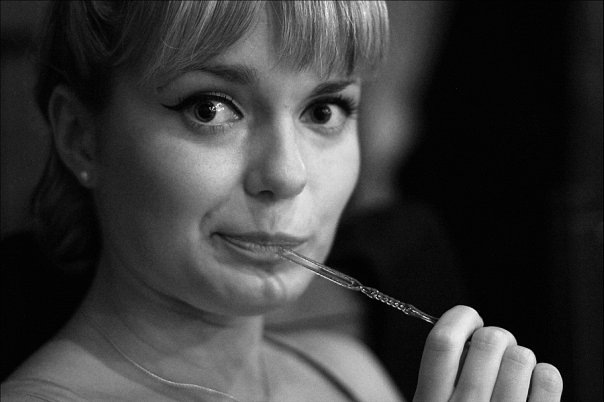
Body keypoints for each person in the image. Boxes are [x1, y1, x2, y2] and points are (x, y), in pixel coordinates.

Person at [1, 1, 562, 401]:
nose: (287, 175)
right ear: (80, 136)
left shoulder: (348, 369)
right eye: (210, 108)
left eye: (324, 110)